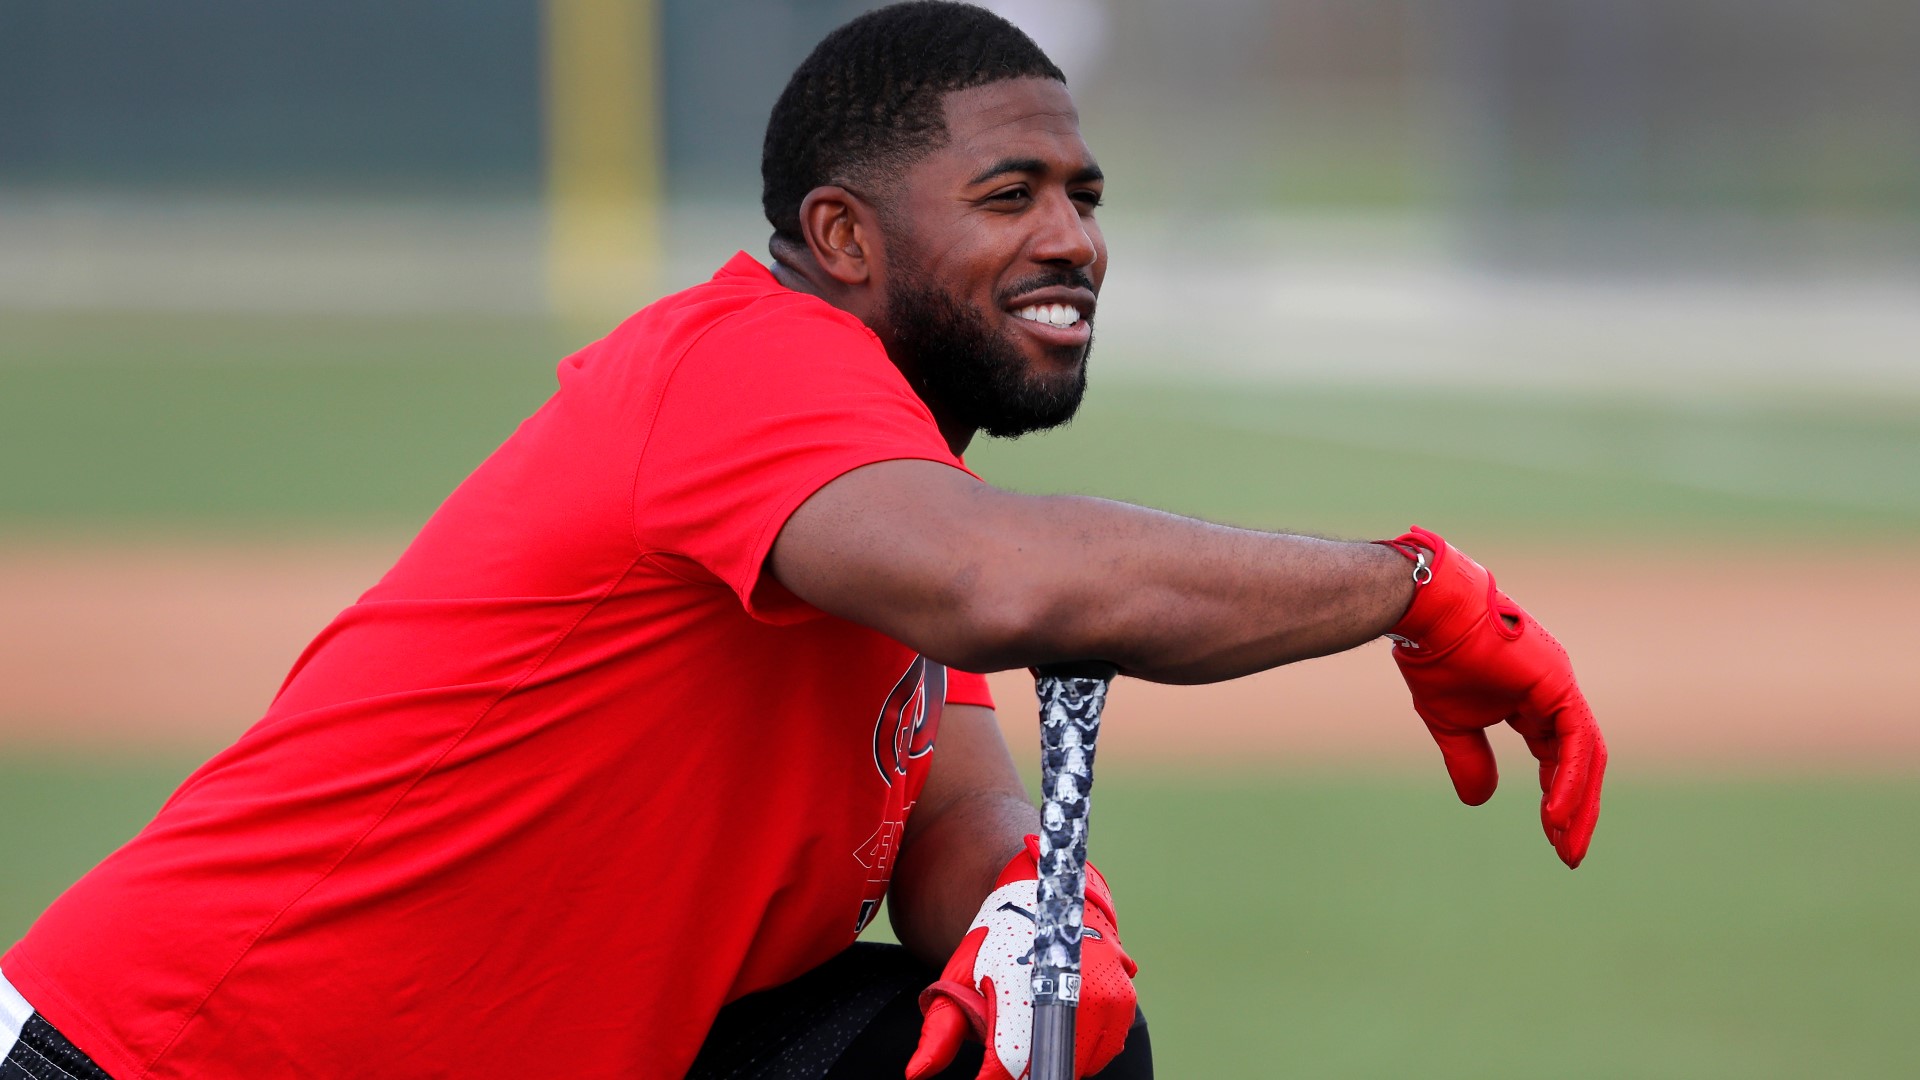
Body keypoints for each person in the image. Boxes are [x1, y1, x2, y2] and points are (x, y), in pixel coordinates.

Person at [0, 4, 1606, 1079]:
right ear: (841, 236)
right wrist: (1410, 591)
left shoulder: (877, 486)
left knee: (1010, 1027)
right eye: (1010, 193)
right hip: (145, 1059)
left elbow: (952, 817)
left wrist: (1039, 916)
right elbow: (1015, 588)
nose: (1072, 237)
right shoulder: (747, 367)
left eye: (1085, 191)